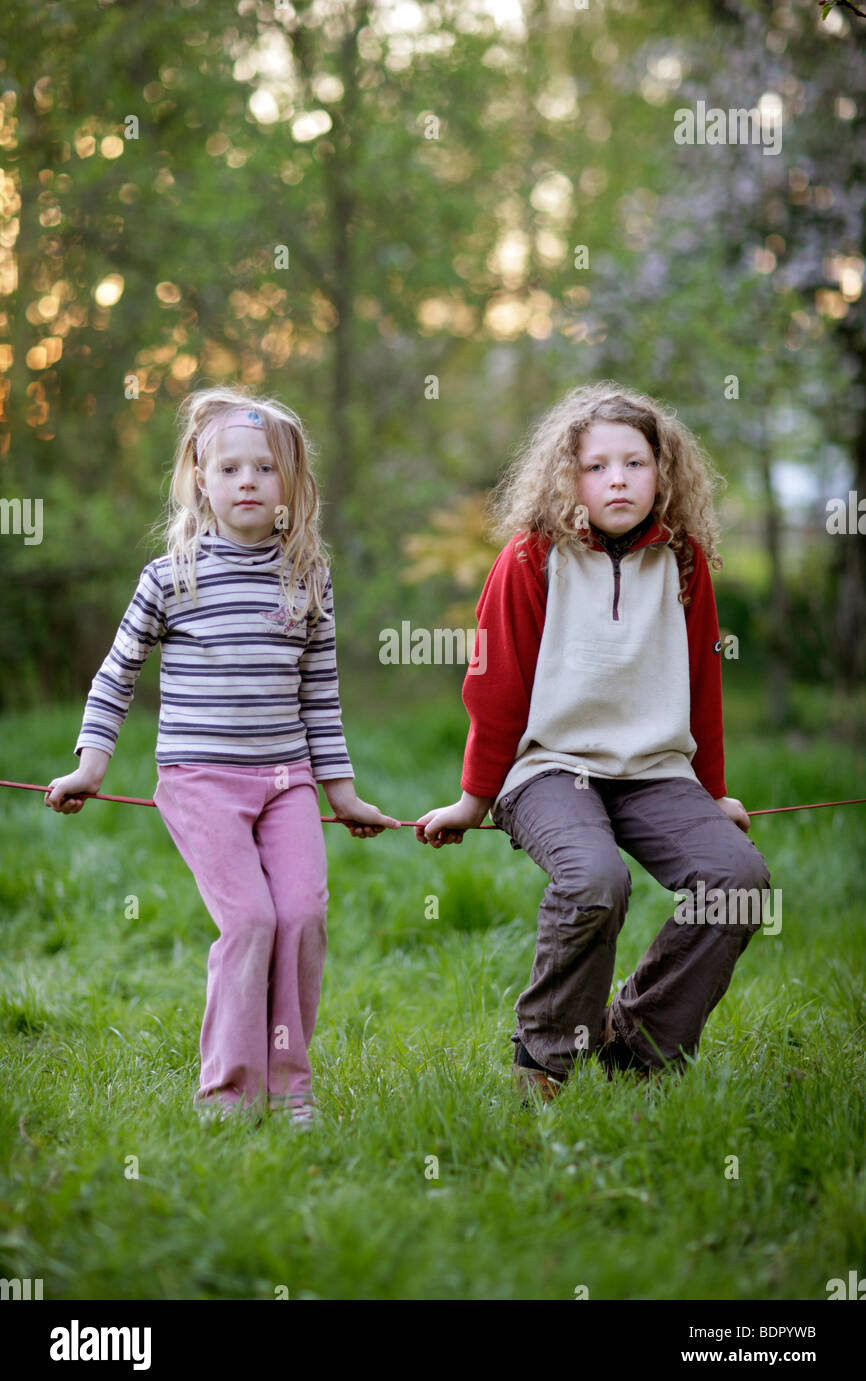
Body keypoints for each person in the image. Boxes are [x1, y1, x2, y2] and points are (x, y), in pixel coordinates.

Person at [45, 387, 400, 1127]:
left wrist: (342, 794)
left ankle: (289, 1083)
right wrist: (90, 765)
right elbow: (117, 673)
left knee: (300, 916)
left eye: (265, 468)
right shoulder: (171, 577)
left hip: (287, 783)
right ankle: (229, 1093)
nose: (247, 482)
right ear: (199, 479)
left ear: (292, 484)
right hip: (200, 782)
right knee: (250, 921)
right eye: (230, 467)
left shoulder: (308, 579)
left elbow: (321, 698)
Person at [415, 381, 771, 1103]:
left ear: (663, 474)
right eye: (598, 465)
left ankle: (637, 1045)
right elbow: (497, 690)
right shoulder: (530, 559)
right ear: (567, 475)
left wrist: (713, 796)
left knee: (738, 881)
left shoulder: (686, 562)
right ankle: (545, 1061)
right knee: (593, 882)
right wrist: (472, 800)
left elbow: (703, 689)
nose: (618, 479)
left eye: (636, 464)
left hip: (656, 773)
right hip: (549, 769)